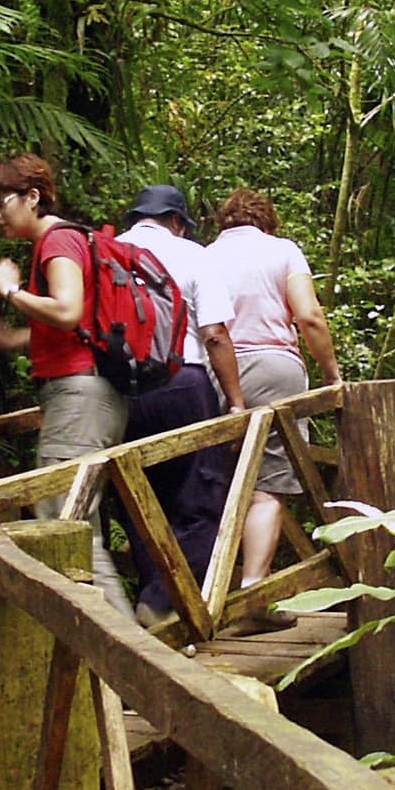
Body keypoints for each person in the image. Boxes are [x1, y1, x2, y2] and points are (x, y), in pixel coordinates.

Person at [0, 153, 135, 613]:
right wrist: (10, 338)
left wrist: (11, 291)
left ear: (33, 197)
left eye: (3, 203)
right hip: (92, 394)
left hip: (79, 397)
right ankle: (122, 659)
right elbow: (69, 328)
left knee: (66, 527)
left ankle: (133, 661)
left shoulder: (57, 242)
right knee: (75, 524)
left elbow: (66, 310)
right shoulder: (70, 240)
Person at [114, 184, 245, 624]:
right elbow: (213, 334)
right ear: (177, 221)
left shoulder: (108, 252)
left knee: (139, 497)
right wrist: (235, 400)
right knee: (200, 496)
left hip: (122, 390)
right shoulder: (193, 254)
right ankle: (163, 603)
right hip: (182, 382)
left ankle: (159, 602)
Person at [207, 188, 341, 593]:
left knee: (220, 480)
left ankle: (209, 594)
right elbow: (308, 316)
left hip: (214, 369)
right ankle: (253, 591)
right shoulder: (283, 251)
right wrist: (332, 374)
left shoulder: (203, 255)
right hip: (273, 368)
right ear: (267, 220)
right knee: (268, 484)